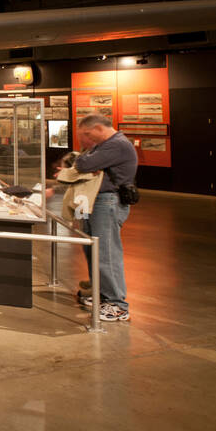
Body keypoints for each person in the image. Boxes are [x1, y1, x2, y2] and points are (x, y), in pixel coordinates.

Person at [73, 113, 137, 322]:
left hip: (107, 202)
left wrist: (87, 161)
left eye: (87, 134)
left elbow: (81, 164)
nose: (85, 140)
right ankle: (102, 294)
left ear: (99, 128)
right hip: (95, 201)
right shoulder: (104, 147)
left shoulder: (116, 145)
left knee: (106, 252)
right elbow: (82, 160)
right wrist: (87, 159)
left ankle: (117, 304)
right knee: (92, 249)